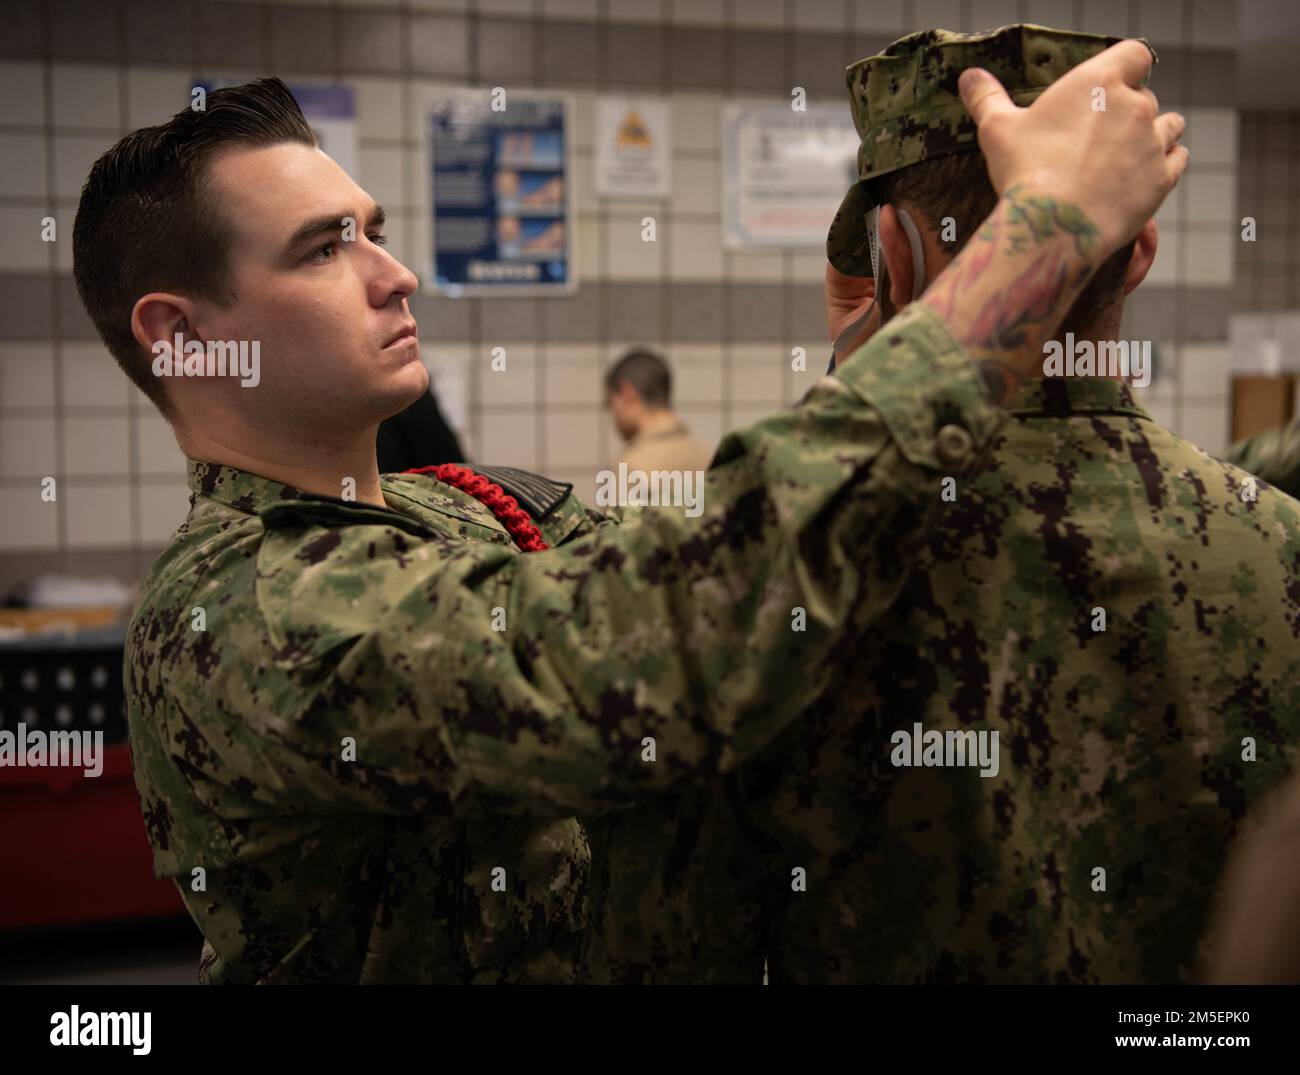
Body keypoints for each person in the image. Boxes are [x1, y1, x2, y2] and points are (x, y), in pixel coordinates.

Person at [69, 51, 1184, 983]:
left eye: (374, 230)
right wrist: (1034, 247)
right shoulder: (243, 609)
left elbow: (732, 569)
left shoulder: (452, 507)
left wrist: (865, 363)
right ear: (179, 334)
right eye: (324, 248)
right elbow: (654, 647)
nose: (396, 274)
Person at [579, 25, 1300, 985]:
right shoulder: (1279, 544)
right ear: (1139, 255)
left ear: (892, 256)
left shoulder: (777, 565)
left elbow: (664, 939)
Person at [604, 348, 713, 474]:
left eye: (610, 404)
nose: (614, 416)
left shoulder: (628, 467)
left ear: (626, 394)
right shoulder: (707, 457)